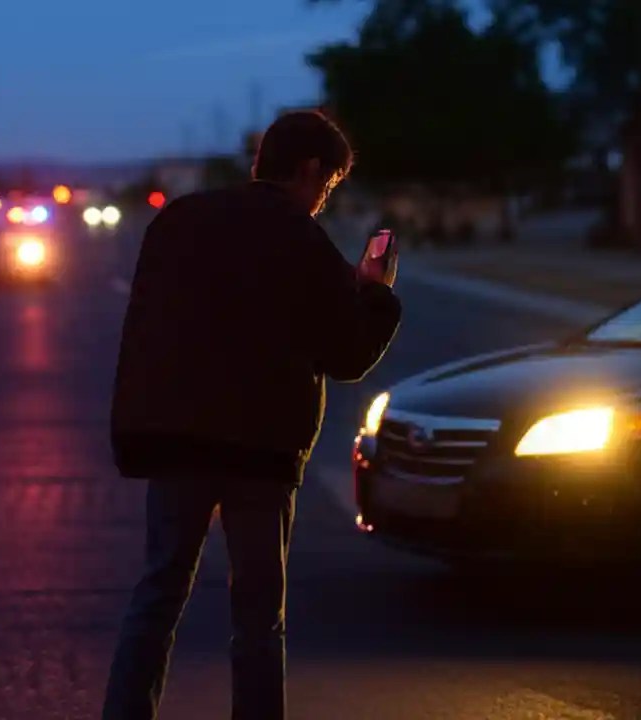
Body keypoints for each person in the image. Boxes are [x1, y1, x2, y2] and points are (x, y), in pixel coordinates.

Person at [102, 110, 402, 720]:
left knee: (158, 594)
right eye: (328, 185)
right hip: (259, 452)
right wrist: (372, 291)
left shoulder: (179, 220)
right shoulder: (299, 237)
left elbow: (141, 331)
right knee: (259, 614)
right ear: (312, 169)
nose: (323, 200)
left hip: (174, 439)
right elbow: (345, 356)